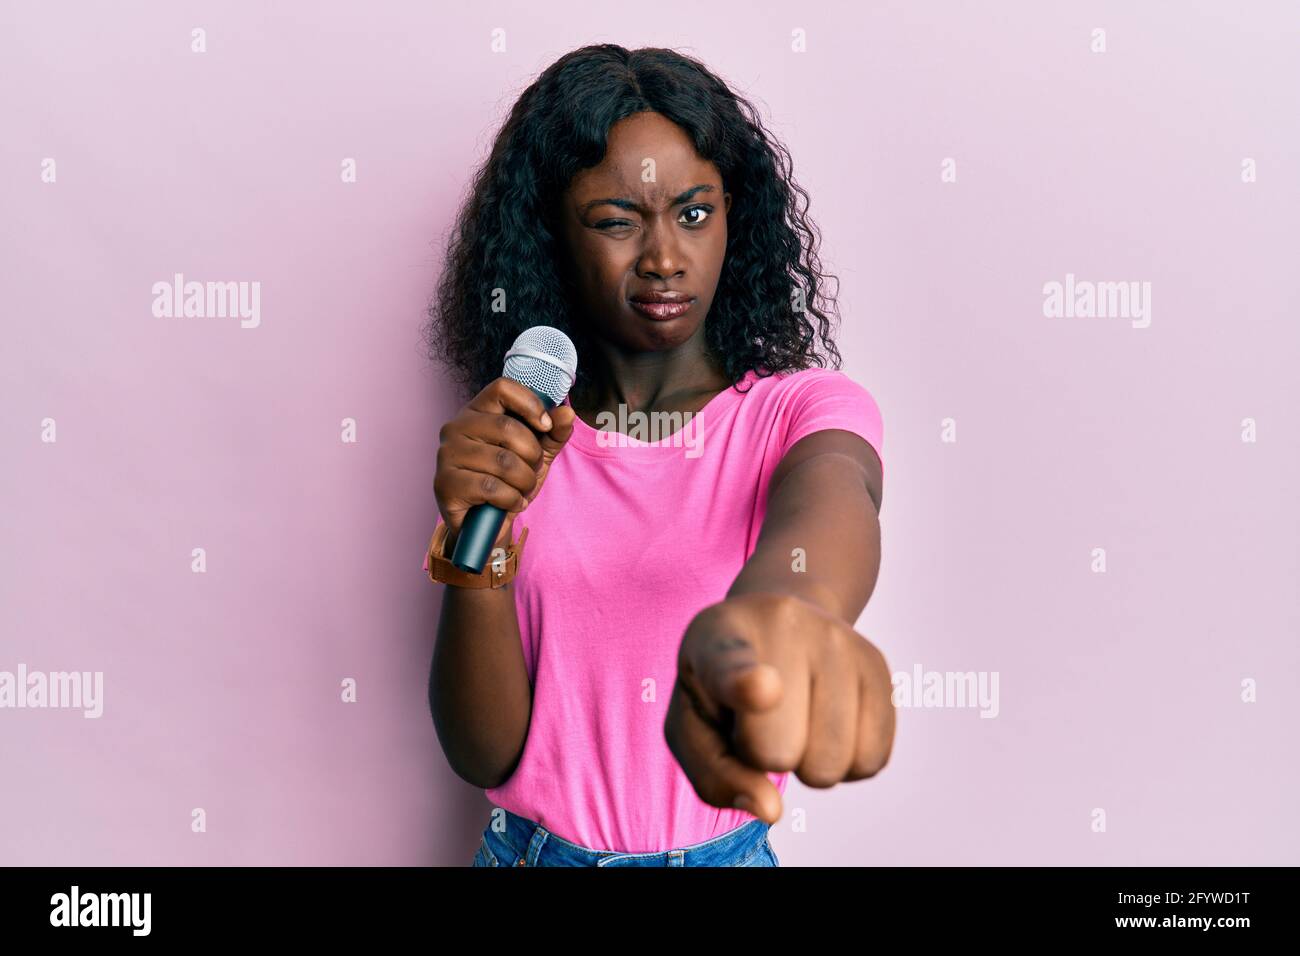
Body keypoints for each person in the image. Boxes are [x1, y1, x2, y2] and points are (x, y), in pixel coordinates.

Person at [422, 44, 894, 867]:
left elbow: (834, 493)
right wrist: (476, 551)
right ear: (553, 235)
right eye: (616, 221)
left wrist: (793, 610)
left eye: (694, 213)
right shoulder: (515, 440)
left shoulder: (798, 412)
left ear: (734, 219)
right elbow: (485, 756)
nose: (664, 257)